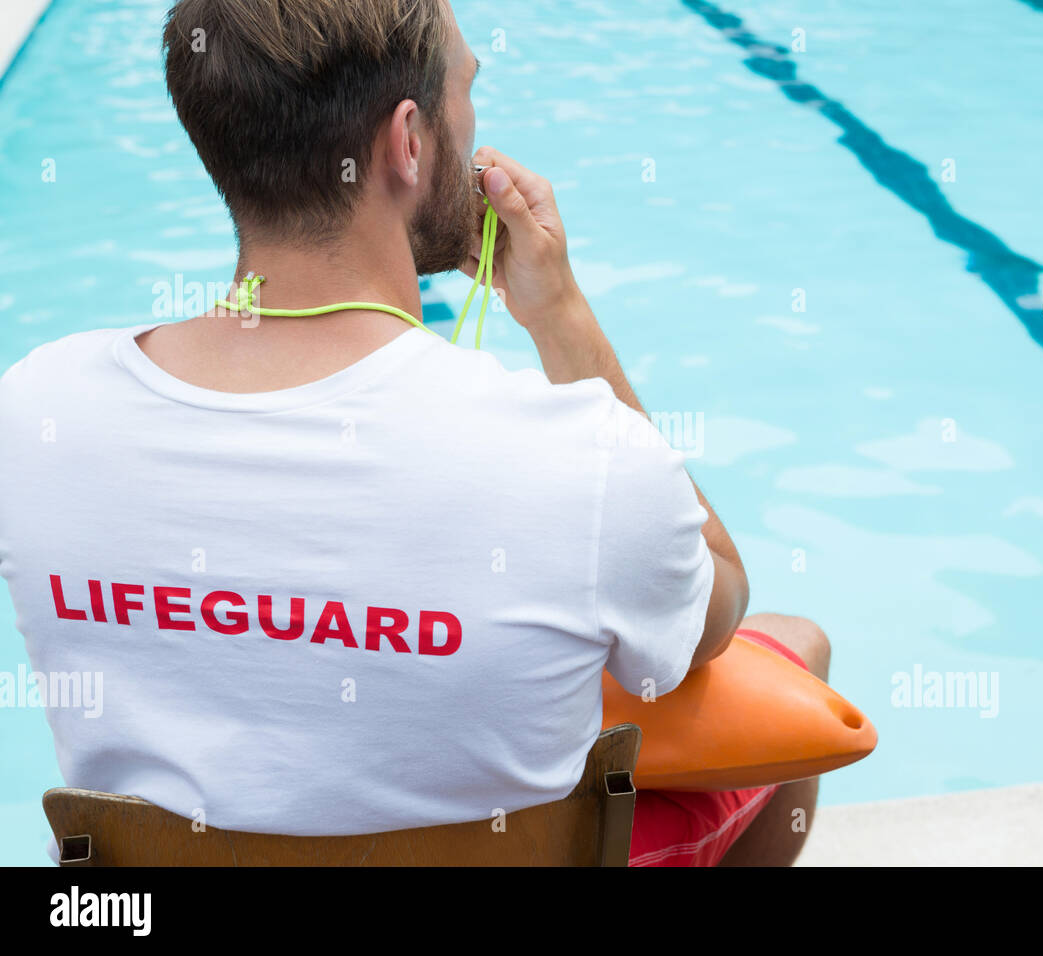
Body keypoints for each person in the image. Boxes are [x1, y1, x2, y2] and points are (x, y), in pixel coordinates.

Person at [0, 0, 829, 867]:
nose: (472, 130)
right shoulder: (576, 460)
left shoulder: (38, 415)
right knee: (798, 651)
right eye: (465, 92)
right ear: (407, 141)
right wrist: (563, 321)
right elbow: (713, 614)